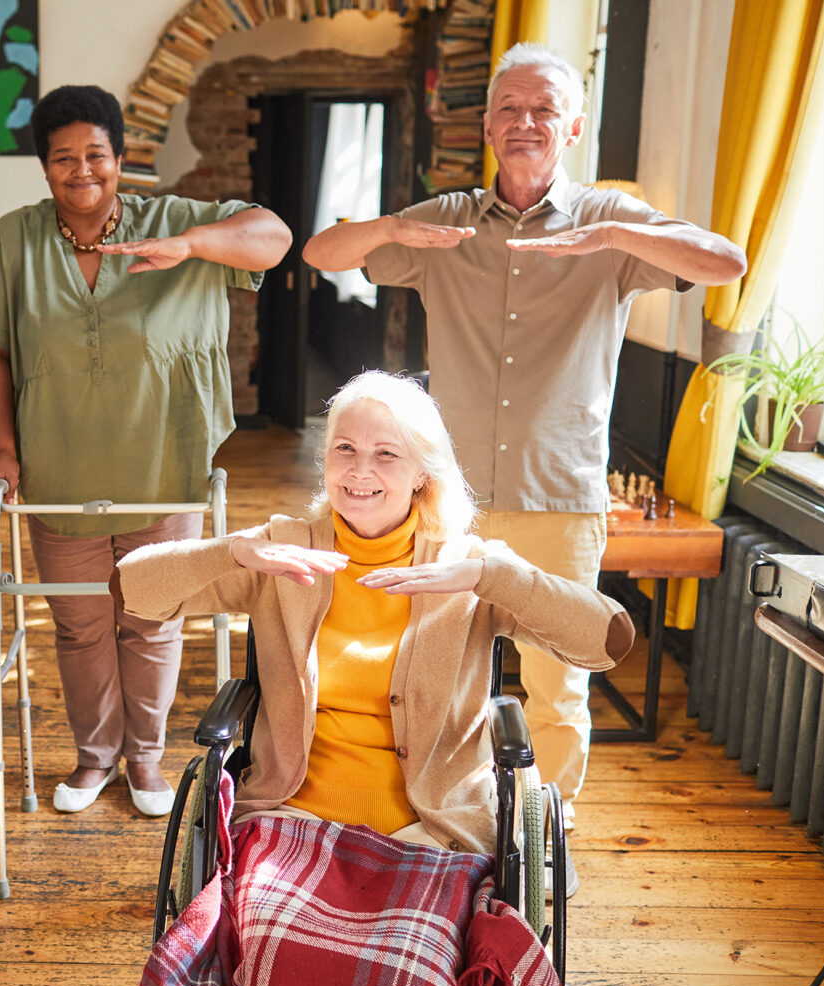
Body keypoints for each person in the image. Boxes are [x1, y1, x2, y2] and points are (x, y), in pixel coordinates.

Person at [302, 42, 745, 835]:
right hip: (450, 503)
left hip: (559, 497)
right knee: (435, 672)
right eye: (509, 108)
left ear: (573, 127)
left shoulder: (609, 222)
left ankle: (544, 833)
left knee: (557, 684)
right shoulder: (449, 219)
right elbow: (319, 253)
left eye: (544, 109)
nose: (525, 122)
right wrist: (399, 223)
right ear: (487, 126)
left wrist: (616, 237)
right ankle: (447, 818)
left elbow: (726, 263)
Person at [116, 372, 630, 986]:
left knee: (416, 984)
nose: (361, 470)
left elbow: (607, 638)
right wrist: (232, 552)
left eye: (386, 454)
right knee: (273, 953)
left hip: (430, 834)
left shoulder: (465, 564)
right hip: (293, 821)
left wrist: (492, 577)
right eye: (345, 449)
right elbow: (131, 590)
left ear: (423, 474)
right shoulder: (285, 550)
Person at [0, 84, 291, 817]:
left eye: (96, 154)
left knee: (150, 621)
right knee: (79, 626)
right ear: (44, 166)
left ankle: (145, 760)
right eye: (63, 157)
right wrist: (3, 450)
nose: (82, 170)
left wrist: (191, 246)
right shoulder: (14, 240)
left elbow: (272, 236)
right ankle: (94, 758)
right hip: (57, 467)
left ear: (120, 158)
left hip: (163, 464)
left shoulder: (172, 221)